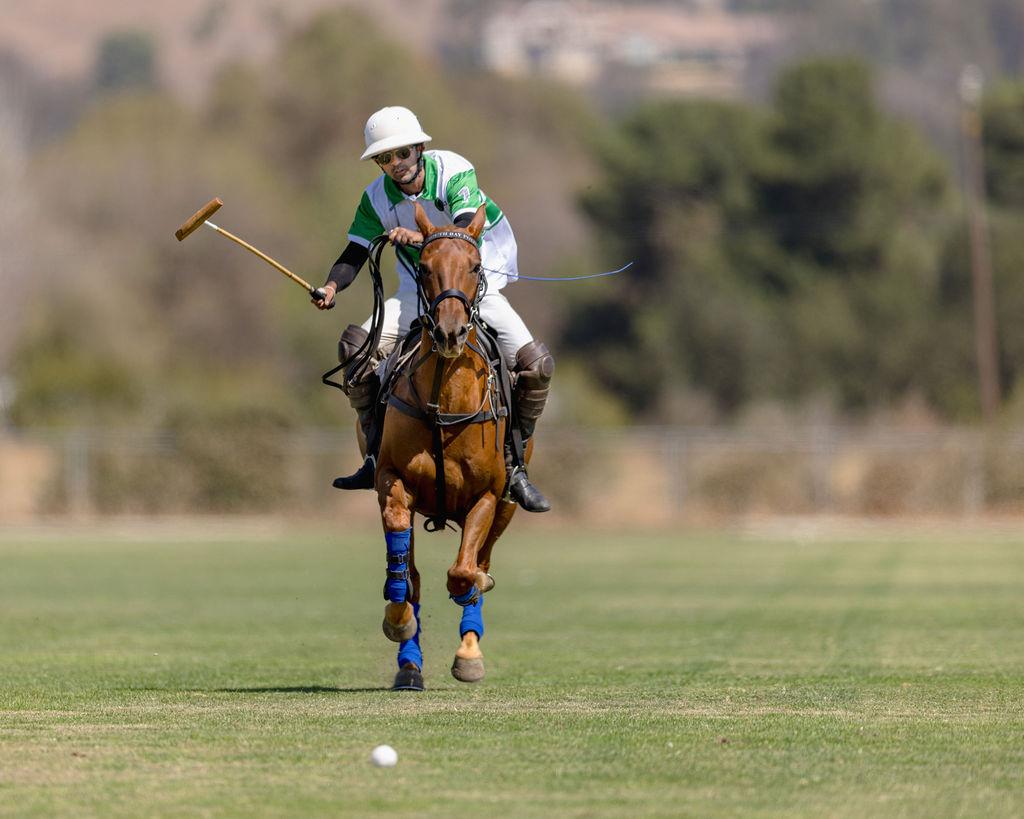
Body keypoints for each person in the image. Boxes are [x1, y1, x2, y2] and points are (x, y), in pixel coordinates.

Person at [313, 106, 553, 513]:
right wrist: (331, 286)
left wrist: (417, 236)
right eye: (384, 158)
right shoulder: (375, 197)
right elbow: (355, 250)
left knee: (537, 365)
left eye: (402, 153)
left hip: (474, 284)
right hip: (419, 291)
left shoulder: (453, 171)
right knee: (354, 349)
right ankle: (374, 457)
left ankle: (515, 468)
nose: (395, 163)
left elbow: (463, 233)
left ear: (419, 148)